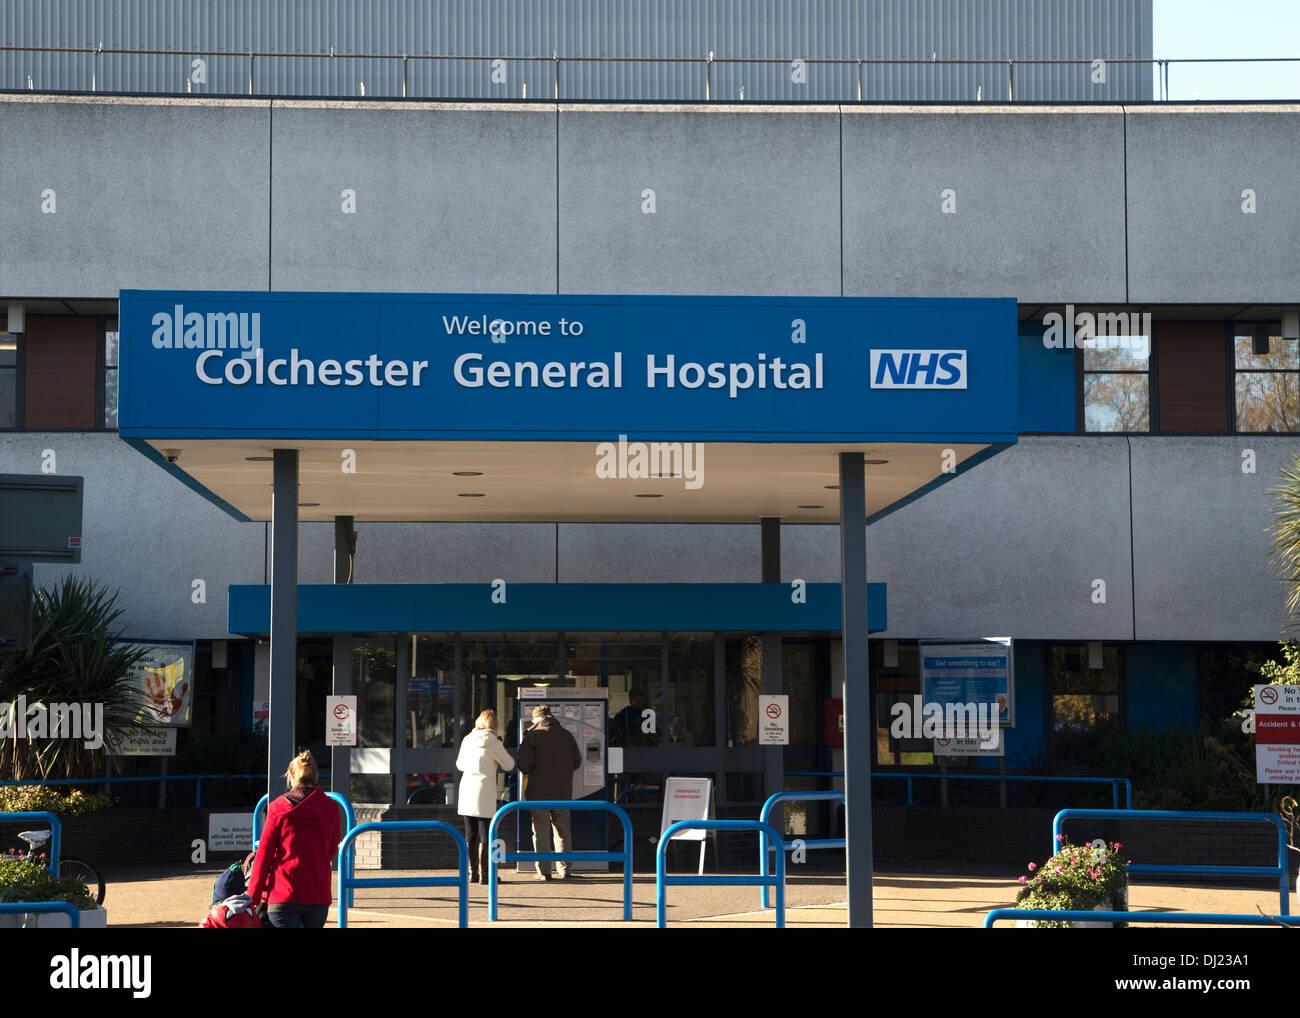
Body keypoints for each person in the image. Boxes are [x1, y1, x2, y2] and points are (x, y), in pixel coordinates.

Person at [245, 750, 341, 928]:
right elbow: (332, 848)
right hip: (317, 893)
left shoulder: (277, 808)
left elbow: (264, 855)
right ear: (315, 776)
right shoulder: (331, 806)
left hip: (283, 892)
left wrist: (252, 897)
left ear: (291, 776)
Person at [516, 704, 581, 880]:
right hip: (563, 791)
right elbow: (577, 761)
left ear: (537, 719)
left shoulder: (533, 735)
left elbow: (523, 764)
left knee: (541, 830)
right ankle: (565, 869)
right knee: (563, 830)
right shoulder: (566, 735)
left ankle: (544, 871)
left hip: (538, 791)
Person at [456, 708, 515, 884]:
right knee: (486, 833)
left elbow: (460, 765)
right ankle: (485, 875)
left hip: (467, 790)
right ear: (494, 724)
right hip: (485, 792)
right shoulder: (494, 742)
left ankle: (472, 874)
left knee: (470, 834)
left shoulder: (467, 740)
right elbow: (509, 765)